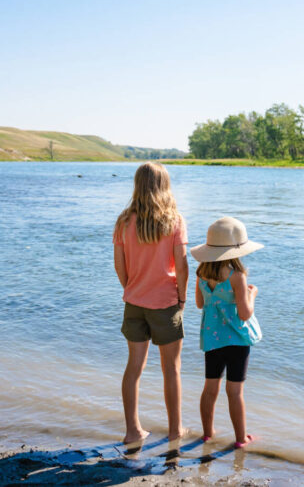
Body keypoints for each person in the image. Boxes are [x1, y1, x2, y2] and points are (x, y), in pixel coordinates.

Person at [113, 162, 189, 444]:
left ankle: (132, 431)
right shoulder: (174, 221)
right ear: (164, 186)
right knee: (171, 369)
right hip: (165, 303)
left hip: (134, 302)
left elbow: (119, 266)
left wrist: (132, 289)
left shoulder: (123, 221)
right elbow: (181, 266)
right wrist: (181, 298)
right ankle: (175, 430)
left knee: (134, 368)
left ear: (137, 185)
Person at [190, 216, 263, 448]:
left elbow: (200, 304)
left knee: (210, 388)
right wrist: (252, 294)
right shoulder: (237, 277)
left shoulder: (201, 274)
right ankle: (241, 439)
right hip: (237, 341)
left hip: (212, 338)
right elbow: (244, 314)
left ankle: (207, 433)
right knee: (235, 391)